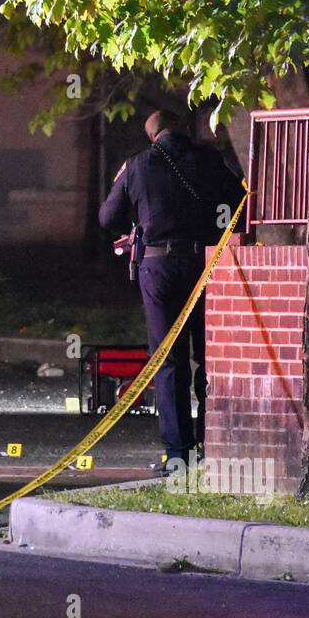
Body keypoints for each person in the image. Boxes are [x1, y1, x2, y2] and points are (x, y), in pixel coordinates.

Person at [98, 110, 244, 470]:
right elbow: (239, 202)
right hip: (206, 266)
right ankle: (211, 445)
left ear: (152, 137)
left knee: (169, 361)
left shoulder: (138, 165)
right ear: (182, 129)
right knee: (208, 359)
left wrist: (138, 219)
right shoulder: (210, 160)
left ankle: (180, 454)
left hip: (159, 267)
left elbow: (107, 218)